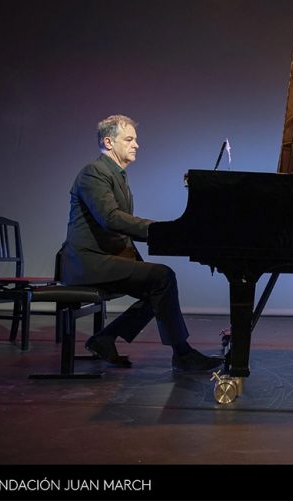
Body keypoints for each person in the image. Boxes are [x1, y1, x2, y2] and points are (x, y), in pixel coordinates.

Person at [60, 114, 223, 373]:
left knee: (159, 289)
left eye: (136, 139)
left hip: (102, 259)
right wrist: (160, 230)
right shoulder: (94, 173)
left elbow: (121, 222)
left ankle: (105, 338)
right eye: (129, 139)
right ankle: (182, 354)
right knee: (163, 278)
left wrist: (168, 233)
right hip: (87, 262)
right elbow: (110, 219)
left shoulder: (118, 176)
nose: (136, 145)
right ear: (108, 142)